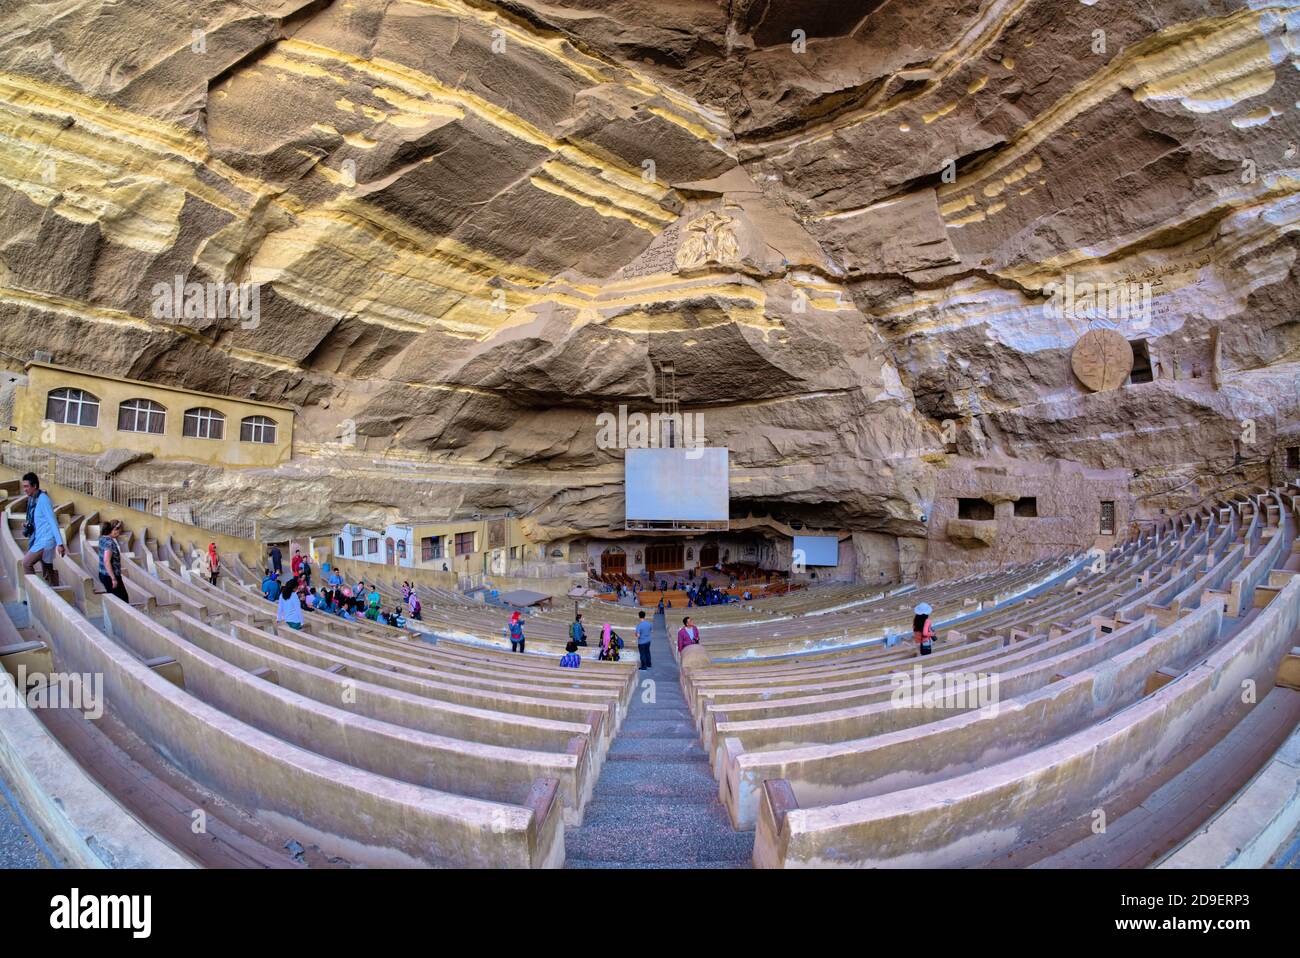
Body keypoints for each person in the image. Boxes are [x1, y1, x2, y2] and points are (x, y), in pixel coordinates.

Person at [20, 472, 65, 585]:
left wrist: (60, 543)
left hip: (46, 540)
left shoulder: (43, 499)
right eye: (23, 486)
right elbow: (39, 520)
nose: (24, 489)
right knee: (47, 569)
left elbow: (52, 521)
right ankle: (56, 591)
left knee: (26, 563)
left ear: (34, 486)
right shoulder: (33, 500)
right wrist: (28, 524)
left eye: (26, 486)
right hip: (40, 538)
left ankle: (34, 590)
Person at [96, 519, 129, 602]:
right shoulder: (109, 543)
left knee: (118, 599)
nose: (120, 533)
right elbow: (107, 561)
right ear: (114, 530)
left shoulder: (102, 538)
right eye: (119, 531)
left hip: (102, 574)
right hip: (110, 576)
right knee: (123, 600)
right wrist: (113, 579)